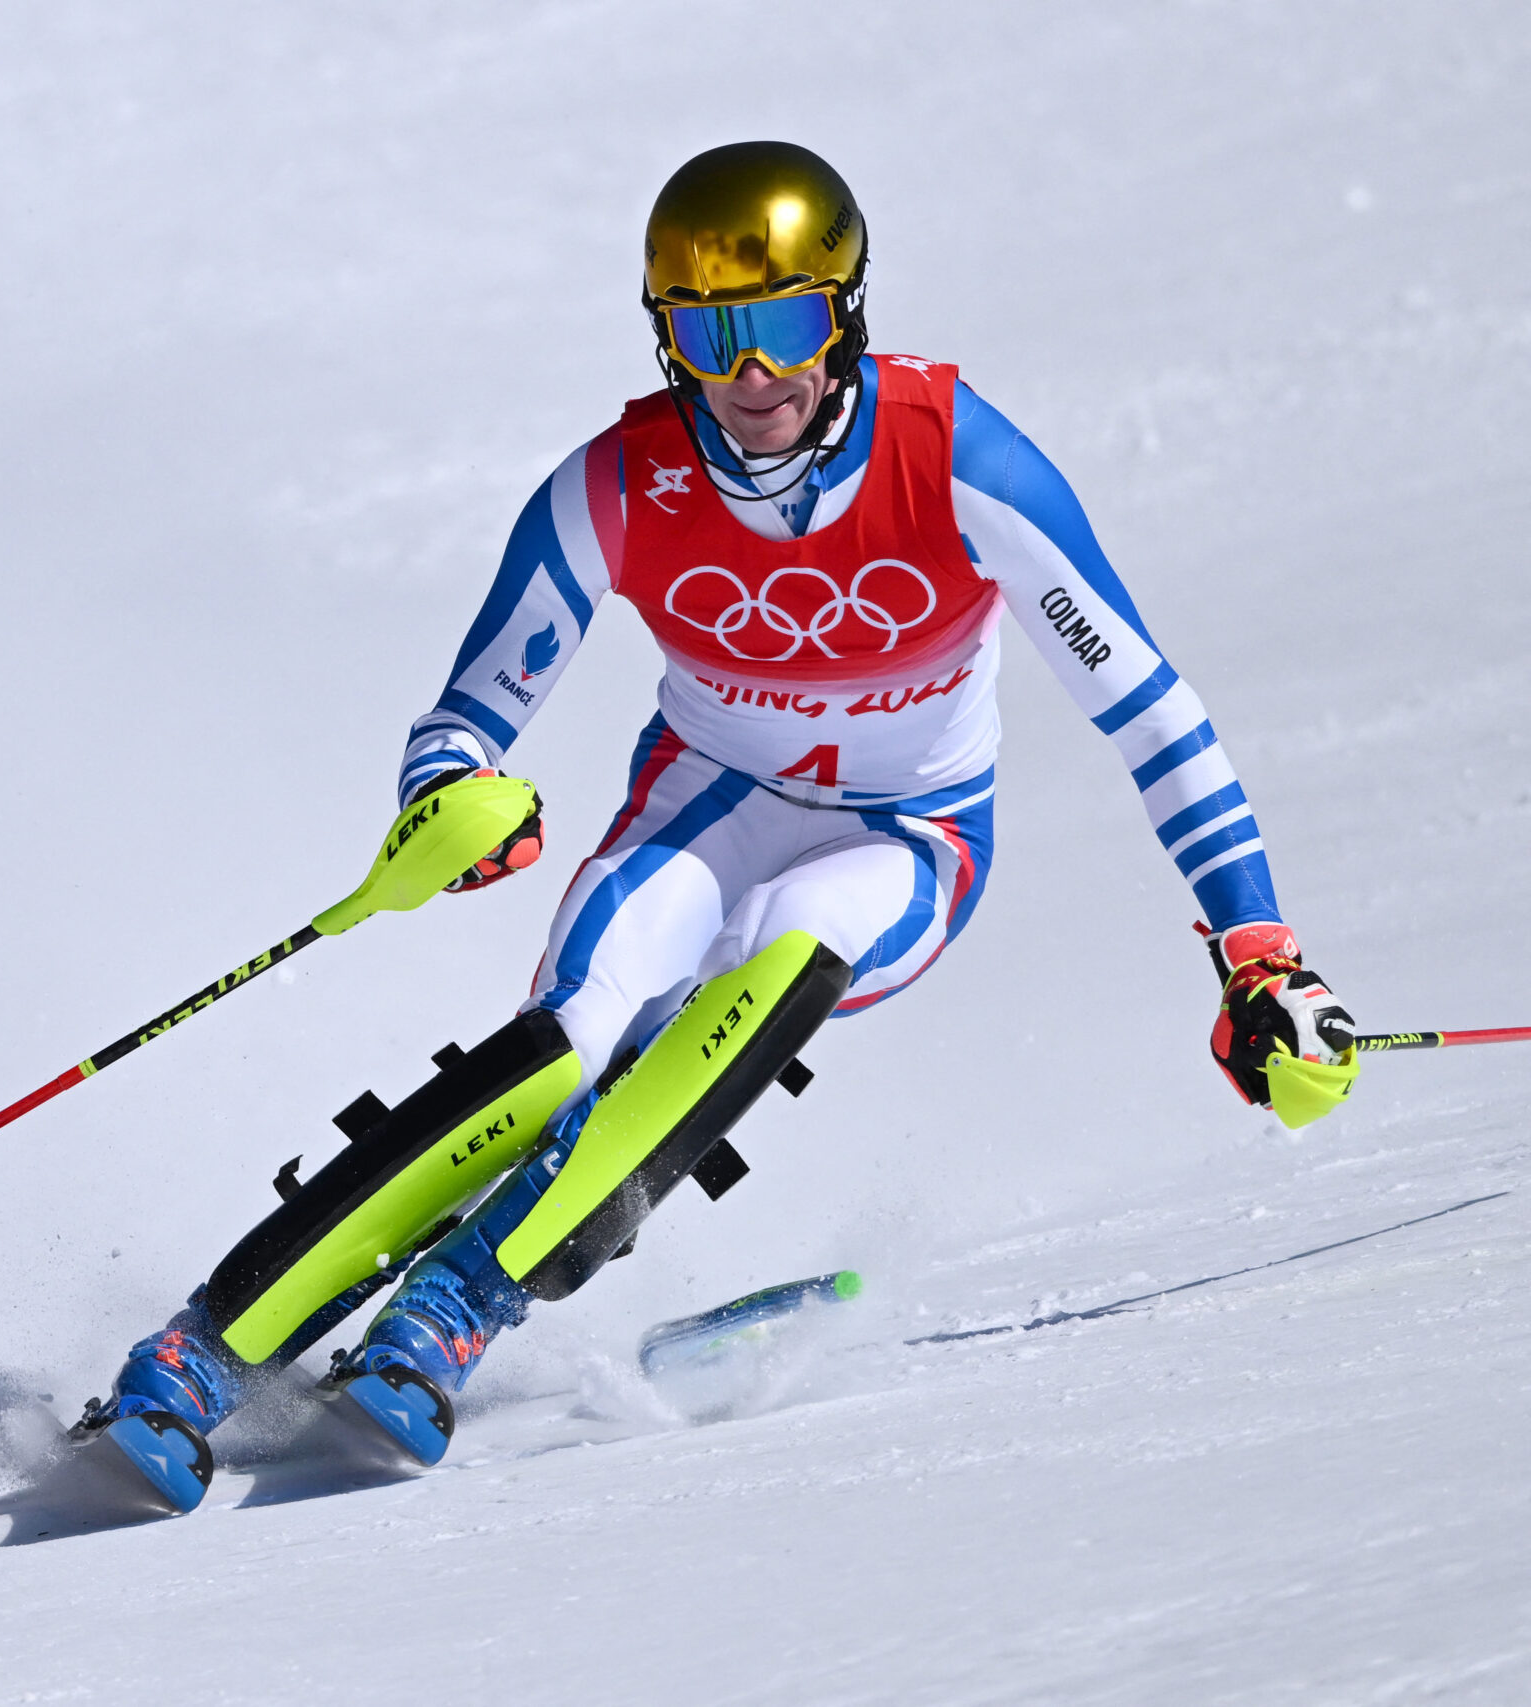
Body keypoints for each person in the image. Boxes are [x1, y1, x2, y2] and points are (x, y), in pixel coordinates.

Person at [74, 141, 1360, 1498]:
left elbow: (1152, 713)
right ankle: (200, 1355)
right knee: (563, 1050)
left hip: (908, 838)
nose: (754, 378)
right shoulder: (620, 486)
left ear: (846, 314)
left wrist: (1258, 950)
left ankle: (455, 1307)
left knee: (781, 960)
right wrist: (449, 802)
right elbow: (467, 714)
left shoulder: (960, 459)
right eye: (711, 335)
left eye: (787, 326)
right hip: (707, 804)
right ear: (667, 339)